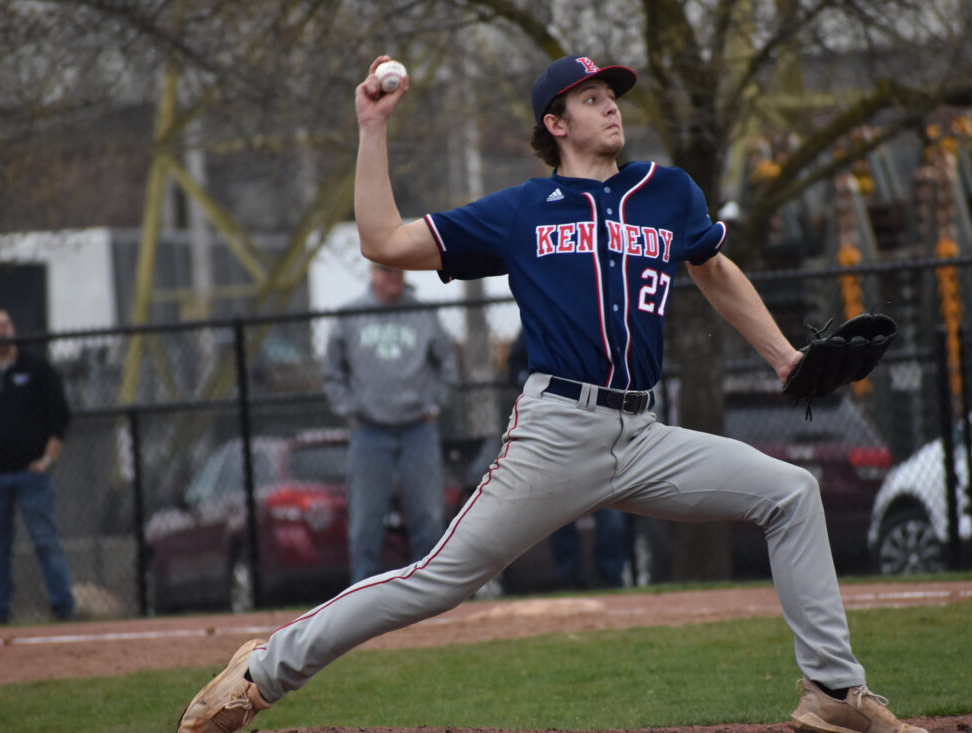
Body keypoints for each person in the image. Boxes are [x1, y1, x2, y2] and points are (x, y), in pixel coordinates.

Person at [176, 55, 928, 733]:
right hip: (556, 430)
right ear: (556, 122)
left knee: (791, 492)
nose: (612, 108)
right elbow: (383, 240)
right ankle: (260, 671)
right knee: (436, 581)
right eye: (593, 97)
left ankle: (832, 689)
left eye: (613, 96)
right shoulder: (523, 211)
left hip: (645, 433)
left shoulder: (667, 192)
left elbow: (713, 268)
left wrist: (784, 357)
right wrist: (372, 129)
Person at [323, 262, 459, 584]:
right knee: (366, 521)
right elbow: (332, 374)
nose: (393, 277)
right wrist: (350, 409)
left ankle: (430, 593)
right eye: (385, 271)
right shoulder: (350, 315)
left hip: (418, 427)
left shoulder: (423, 312)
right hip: (369, 430)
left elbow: (448, 364)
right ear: (371, 272)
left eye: (398, 271)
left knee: (428, 516)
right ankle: (360, 596)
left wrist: (436, 403)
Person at [0, 307, 75, 624]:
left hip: (31, 475)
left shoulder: (37, 370)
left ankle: (63, 608)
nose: (1, 331)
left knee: (45, 541)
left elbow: (59, 419)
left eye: (5, 324)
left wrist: (47, 460)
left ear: (13, 327)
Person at [509, 328, 627, 589]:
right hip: (557, 427)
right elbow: (515, 364)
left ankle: (611, 578)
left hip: (602, 425)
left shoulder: (605, 316)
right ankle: (571, 577)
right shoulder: (543, 312)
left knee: (612, 511)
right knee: (560, 509)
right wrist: (535, 388)